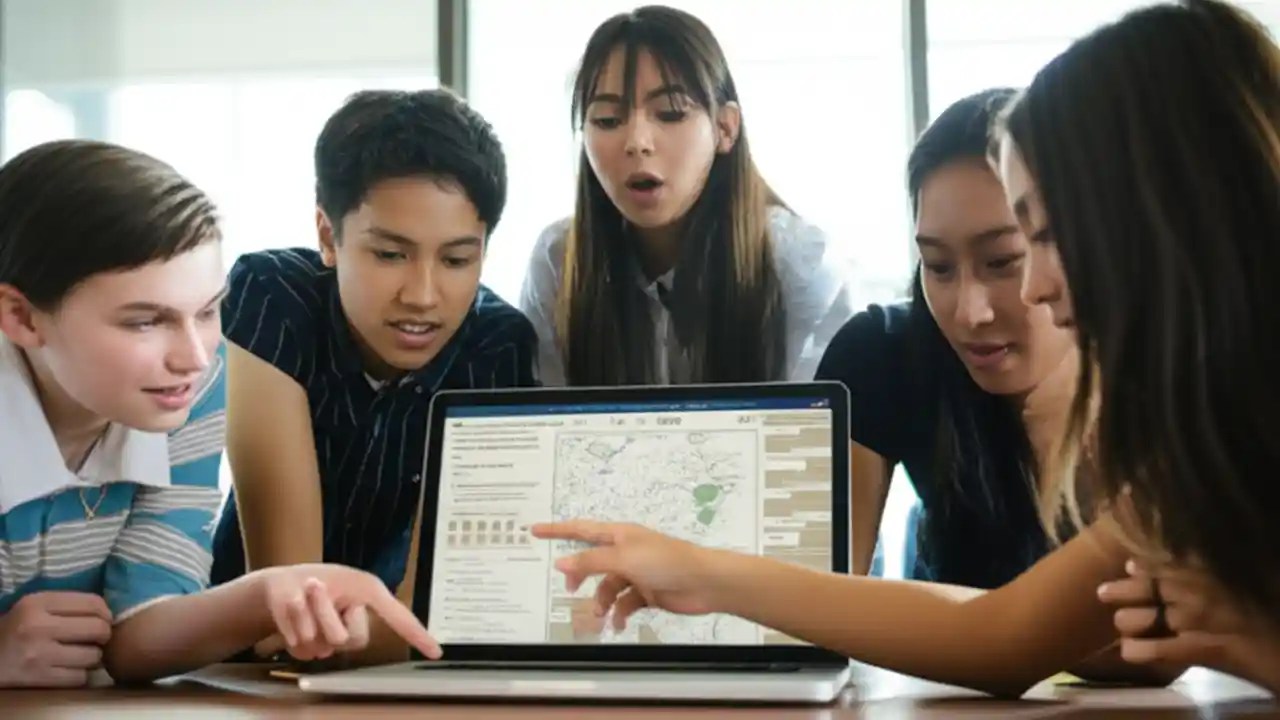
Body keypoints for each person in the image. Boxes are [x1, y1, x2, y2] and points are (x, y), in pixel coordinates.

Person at [532, 0, 1280, 697]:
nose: (1036, 287)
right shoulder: (1198, 450)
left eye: (1044, 239)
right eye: (938, 264)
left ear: (1178, 211)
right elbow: (1003, 637)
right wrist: (703, 573)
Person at [0, 140, 439, 688]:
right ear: (21, 317)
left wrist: (273, 594)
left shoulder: (191, 386)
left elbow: (136, 637)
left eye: (208, 311)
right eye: (144, 322)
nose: (194, 356)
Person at [210, 88, 536, 663]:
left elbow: (441, 609)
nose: (423, 296)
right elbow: (294, 610)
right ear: (328, 236)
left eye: (457, 260)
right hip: (231, 664)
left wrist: (399, 631)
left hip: (395, 669)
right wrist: (394, 630)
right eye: (390, 255)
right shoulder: (272, 298)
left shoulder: (498, 346)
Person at [816, 88, 1078, 588]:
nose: (969, 312)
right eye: (938, 266)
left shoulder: (1171, 385)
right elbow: (821, 594)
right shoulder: (884, 355)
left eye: (1002, 262)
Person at [519, 5, 855, 387]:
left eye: (670, 113)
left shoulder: (799, 263)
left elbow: (819, 419)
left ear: (725, 128)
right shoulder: (559, 262)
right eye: (607, 120)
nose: (637, 142)